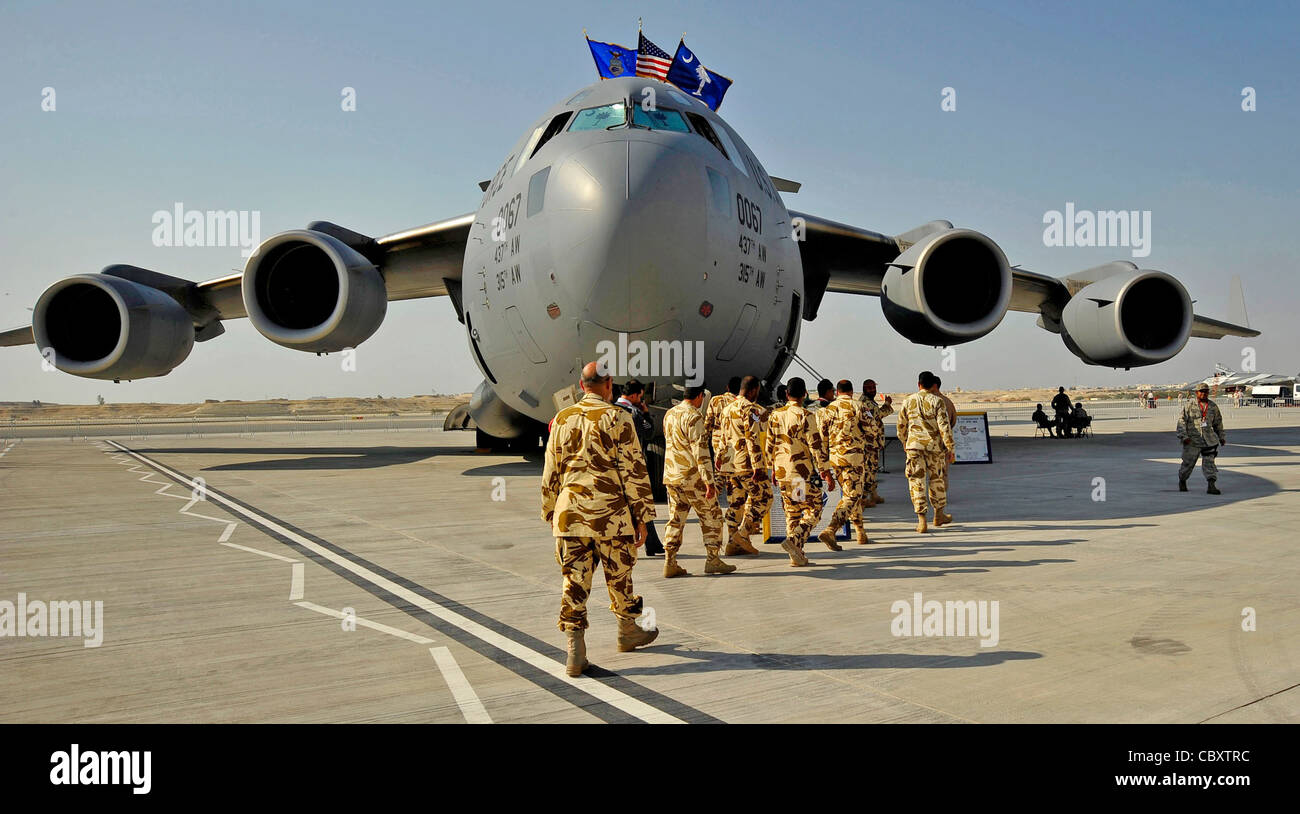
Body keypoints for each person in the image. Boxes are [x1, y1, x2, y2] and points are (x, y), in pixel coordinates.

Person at [542, 362, 659, 677]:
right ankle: (628, 630)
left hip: (571, 517)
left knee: (574, 583)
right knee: (620, 578)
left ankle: (575, 652)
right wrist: (643, 516)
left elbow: (551, 470)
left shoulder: (562, 419)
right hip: (611, 516)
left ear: (582, 386)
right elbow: (634, 470)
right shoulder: (619, 418)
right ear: (608, 384)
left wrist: (550, 510)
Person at [660, 384, 736, 577]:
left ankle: (670, 561)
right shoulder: (694, 416)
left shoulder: (669, 414)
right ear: (700, 396)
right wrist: (709, 482)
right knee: (712, 516)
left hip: (671, 475)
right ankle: (713, 559)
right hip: (692, 477)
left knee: (676, 519)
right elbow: (701, 452)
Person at [766, 378, 837, 564]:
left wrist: (772, 468)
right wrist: (826, 472)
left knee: (793, 512)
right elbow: (816, 446)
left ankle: (796, 555)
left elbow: (770, 445)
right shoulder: (806, 415)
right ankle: (794, 541)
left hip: (783, 473)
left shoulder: (775, 415)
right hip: (801, 473)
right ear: (805, 394)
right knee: (814, 508)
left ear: (787, 394)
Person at [816, 379, 879, 545]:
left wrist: (823, 467)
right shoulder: (859, 406)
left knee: (851, 493)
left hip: (835, 460)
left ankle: (860, 532)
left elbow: (821, 441)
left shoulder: (827, 410)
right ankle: (831, 529)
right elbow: (872, 428)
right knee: (853, 495)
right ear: (851, 391)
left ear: (837, 392)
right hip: (854, 459)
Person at [718, 375, 771, 555]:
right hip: (747, 464)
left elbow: (722, 437)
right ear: (754, 390)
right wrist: (758, 467)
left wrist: (719, 459)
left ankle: (733, 545)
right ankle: (742, 534)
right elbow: (752, 438)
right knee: (764, 498)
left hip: (730, 464)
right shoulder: (750, 409)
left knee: (736, 503)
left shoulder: (726, 409)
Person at [897, 370, 956, 533]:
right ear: (933, 385)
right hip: (934, 448)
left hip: (914, 447)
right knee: (937, 480)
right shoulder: (938, 401)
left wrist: (904, 442)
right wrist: (950, 448)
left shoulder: (908, 401)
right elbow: (945, 427)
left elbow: (901, 425)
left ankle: (921, 520)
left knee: (917, 482)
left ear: (919, 384)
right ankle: (939, 514)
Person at [615, 379, 663, 556]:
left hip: (615, 467)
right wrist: (646, 413)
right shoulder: (634, 412)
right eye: (640, 397)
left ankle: (653, 544)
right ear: (634, 395)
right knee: (642, 507)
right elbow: (649, 432)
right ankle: (651, 544)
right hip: (633, 467)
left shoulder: (611, 410)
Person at [1177, 383, 1227, 494]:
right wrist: (1184, 436)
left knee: (1209, 464)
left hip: (1209, 440)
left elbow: (1218, 423)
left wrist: (1221, 437)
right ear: (1197, 393)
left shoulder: (1213, 407)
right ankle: (1182, 480)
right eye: (1201, 391)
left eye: (1206, 391)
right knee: (1188, 464)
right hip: (1192, 441)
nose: (1204, 393)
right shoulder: (1189, 405)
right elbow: (1181, 422)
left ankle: (1211, 485)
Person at [857, 379, 893, 507]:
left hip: (873, 443)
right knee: (869, 470)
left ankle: (874, 494)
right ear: (865, 389)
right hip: (869, 444)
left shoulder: (870, 402)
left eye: (874, 388)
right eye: (870, 388)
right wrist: (887, 404)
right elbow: (880, 414)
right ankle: (864, 498)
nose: (873, 390)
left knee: (872, 470)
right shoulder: (866, 403)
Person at [704, 375, 741, 469]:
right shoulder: (741, 404)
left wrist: (703, 442)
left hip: (718, 444)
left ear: (727, 387)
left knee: (720, 474)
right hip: (736, 445)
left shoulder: (715, 400)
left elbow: (708, 423)